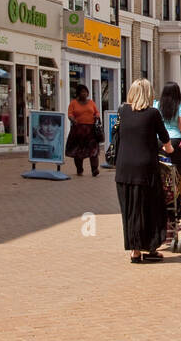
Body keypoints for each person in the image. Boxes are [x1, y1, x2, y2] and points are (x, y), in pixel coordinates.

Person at [114, 79, 174, 263]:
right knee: (150, 208)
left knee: (130, 210)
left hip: (124, 168)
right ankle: (150, 247)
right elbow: (165, 139)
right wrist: (169, 150)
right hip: (146, 169)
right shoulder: (153, 113)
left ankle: (135, 250)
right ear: (148, 93)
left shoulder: (122, 111)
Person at [66, 84, 101, 176]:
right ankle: (79, 169)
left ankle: (94, 169)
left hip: (90, 130)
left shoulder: (91, 103)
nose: (84, 94)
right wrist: (73, 119)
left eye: (85, 92)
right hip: (78, 130)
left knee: (93, 150)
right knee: (78, 151)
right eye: (82, 92)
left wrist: (97, 116)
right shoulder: (73, 103)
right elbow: (70, 114)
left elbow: (97, 112)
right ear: (78, 93)